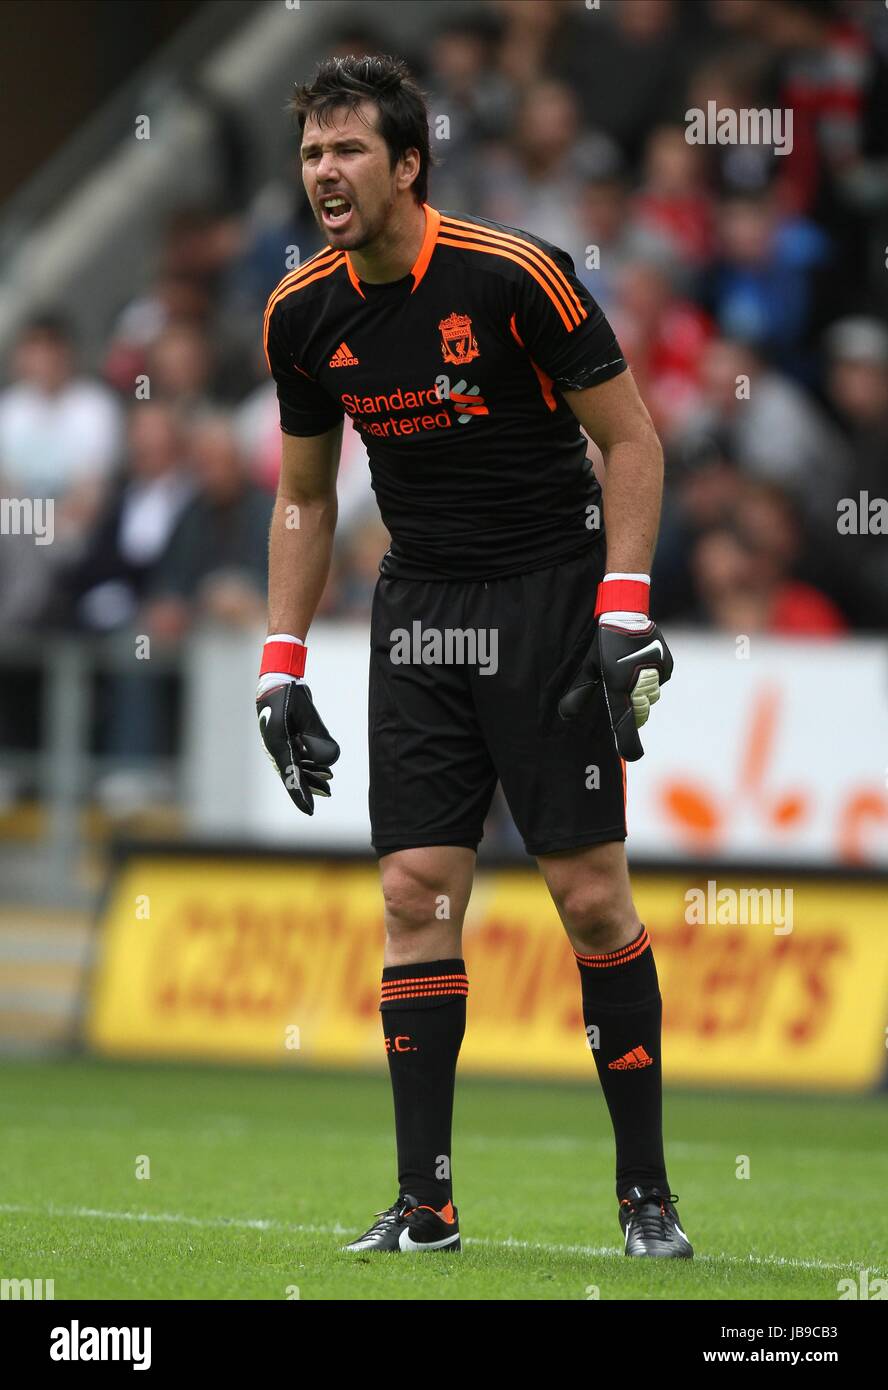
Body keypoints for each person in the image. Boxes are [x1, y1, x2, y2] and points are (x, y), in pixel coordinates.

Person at [257, 55, 692, 1260]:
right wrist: (280, 661)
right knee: (412, 896)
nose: (323, 174)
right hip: (418, 611)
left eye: (346, 152)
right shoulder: (302, 313)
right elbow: (302, 496)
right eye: (309, 154)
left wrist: (621, 608)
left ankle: (646, 1198)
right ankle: (425, 1204)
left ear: (407, 164)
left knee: (590, 901)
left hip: (550, 599)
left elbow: (633, 440)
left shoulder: (515, 275)